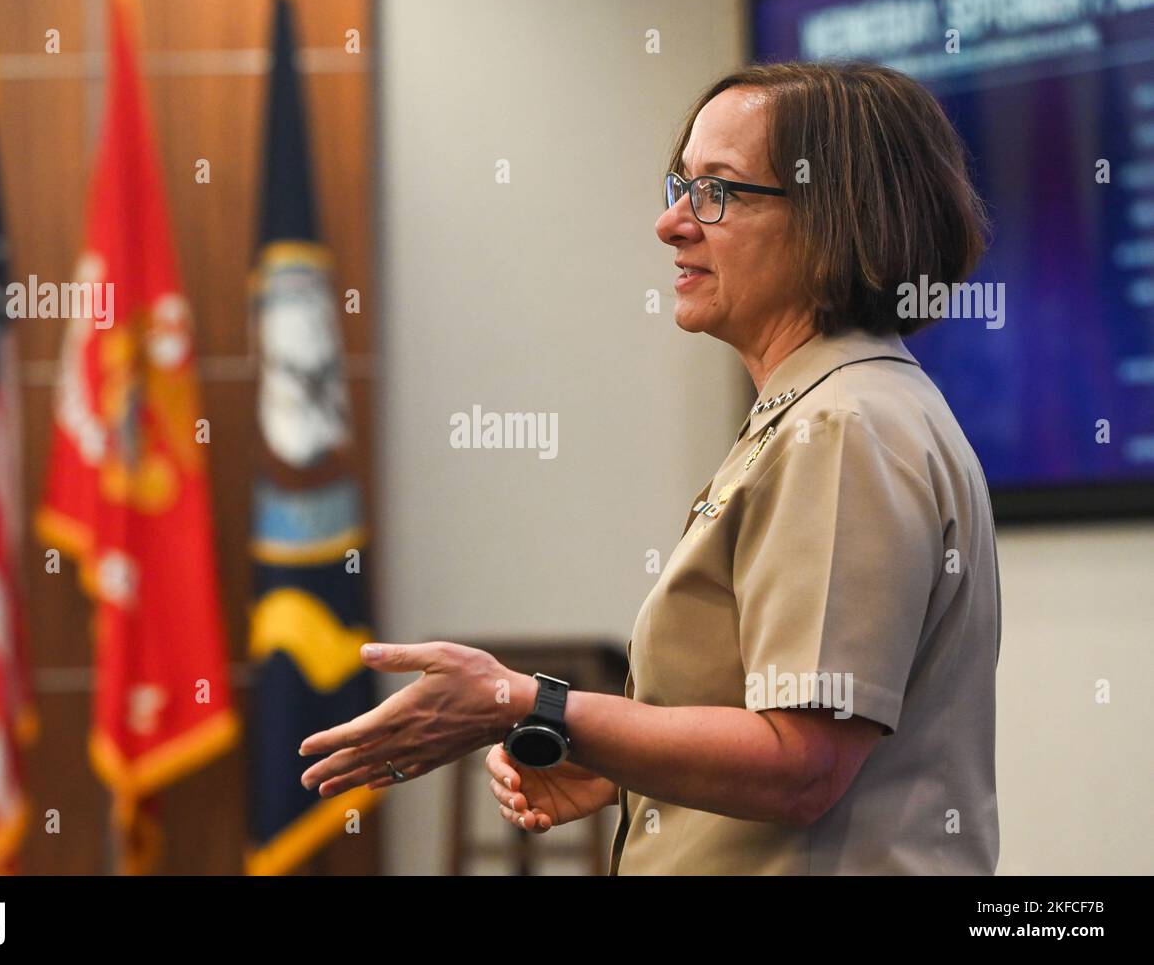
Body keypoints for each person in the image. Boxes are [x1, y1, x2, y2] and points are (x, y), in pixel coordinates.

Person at [298, 60, 1000, 874]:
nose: (671, 224)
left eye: (718, 191)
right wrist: (622, 761)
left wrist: (528, 703)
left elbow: (804, 762)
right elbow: (777, 735)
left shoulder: (841, 425)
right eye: (680, 185)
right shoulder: (830, 409)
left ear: (835, 220)